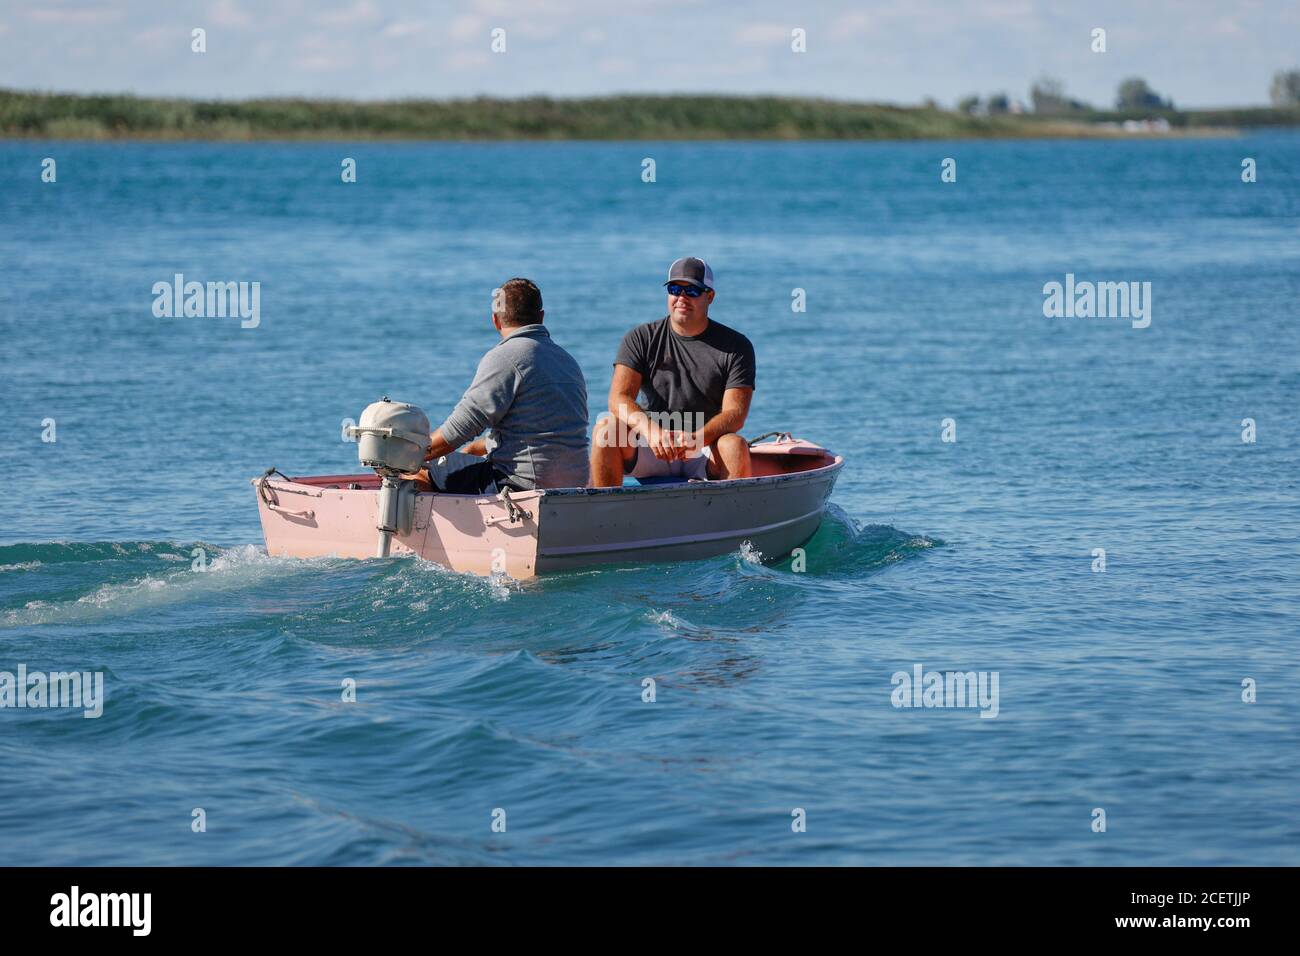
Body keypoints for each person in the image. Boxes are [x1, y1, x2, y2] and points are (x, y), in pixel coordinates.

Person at [407, 278, 589, 493]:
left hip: (523, 483)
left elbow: (459, 429)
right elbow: (546, 430)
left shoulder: (505, 357)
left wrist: (407, 455)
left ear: (495, 320)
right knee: (473, 450)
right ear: (541, 317)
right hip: (573, 481)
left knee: (417, 470)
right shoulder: (567, 360)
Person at [589, 257, 754, 487]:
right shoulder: (640, 338)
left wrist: (698, 438)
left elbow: (736, 413)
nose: (681, 298)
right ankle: (605, 515)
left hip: (703, 448)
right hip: (652, 444)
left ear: (710, 296)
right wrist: (651, 431)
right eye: (675, 289)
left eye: (692, 291)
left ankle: (731, 518)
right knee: (605, 429)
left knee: (735, 446)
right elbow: (618, 399)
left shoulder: (737, 346)